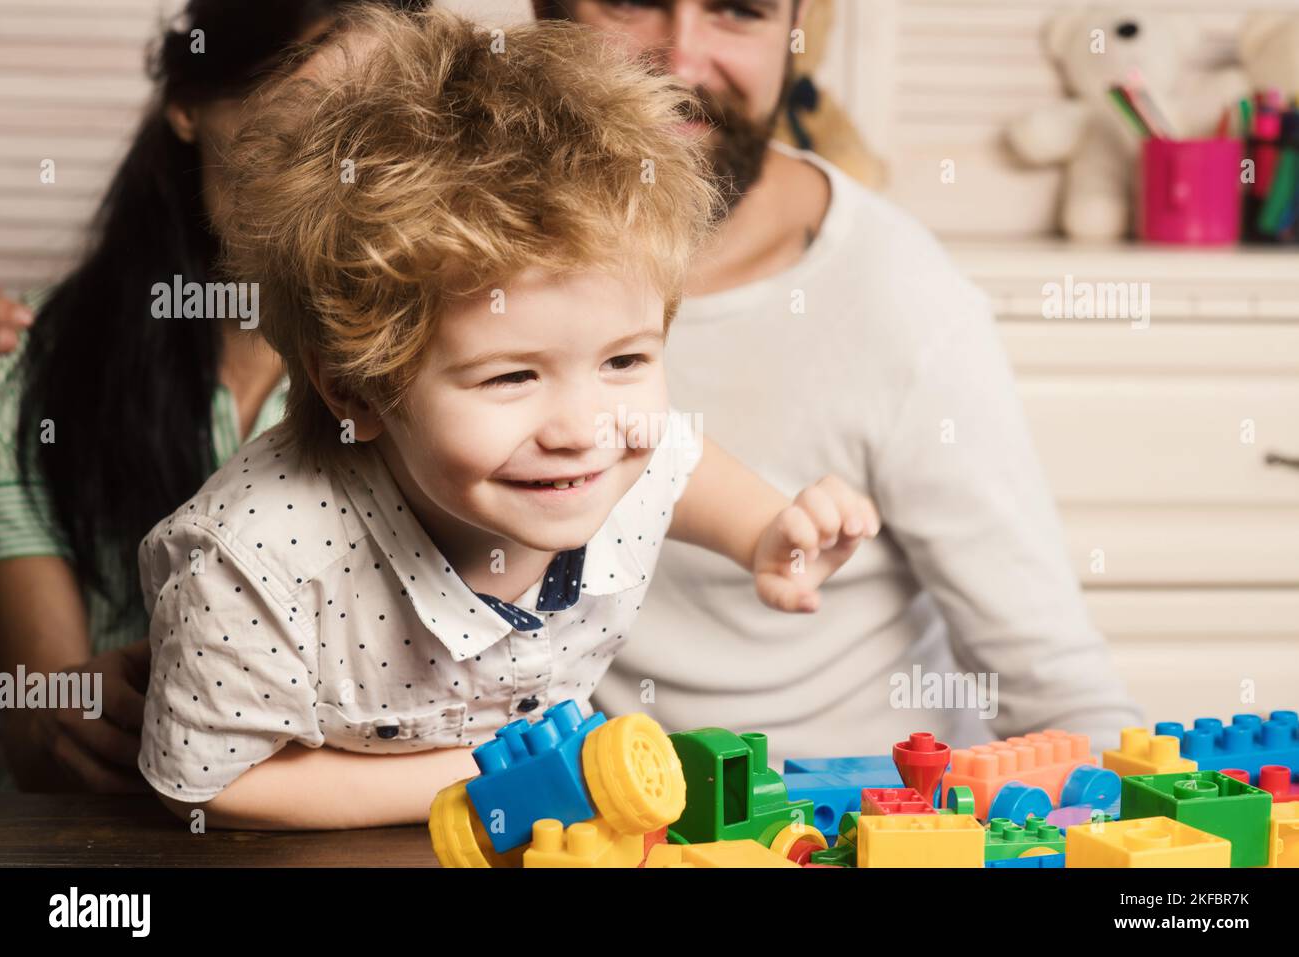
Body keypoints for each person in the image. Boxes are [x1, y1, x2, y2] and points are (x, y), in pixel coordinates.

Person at [137, 5, 878, 829]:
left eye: (624, 361)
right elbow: (210, 783)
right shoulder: (263, 557)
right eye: (511, 376)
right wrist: (482, 776)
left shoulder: (610, 449)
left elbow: (676, 459)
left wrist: (769, 531)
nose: (583, 426)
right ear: (356, 390)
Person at [537, 0, 1145, 761]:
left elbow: (1059, 688)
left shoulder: (900, 295)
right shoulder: (457, 263)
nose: (684, 59)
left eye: (738, 12)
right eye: (633, 1)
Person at [0, 0, 429, 794]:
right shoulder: (33, 366)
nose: (337, 169)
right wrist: (73, 706)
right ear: (190, 106)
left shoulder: (454, 364)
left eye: (381, 127)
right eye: (303, 115)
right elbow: (33, 721)